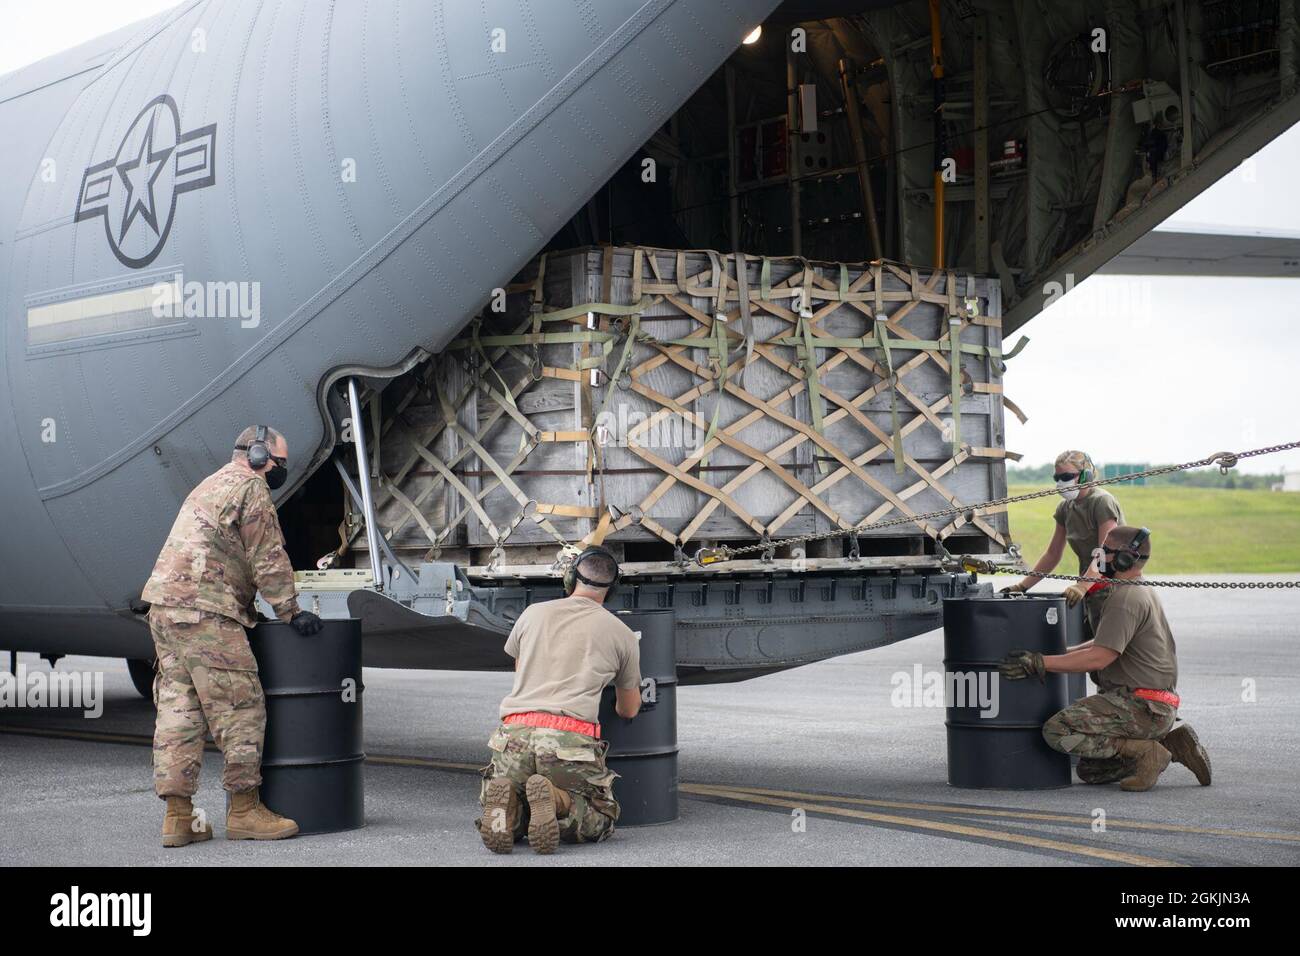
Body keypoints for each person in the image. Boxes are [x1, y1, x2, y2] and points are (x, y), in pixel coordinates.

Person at [141, 425, 324, 846]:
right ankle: (244, 812)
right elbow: (267, 554)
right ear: (260, 457)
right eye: (280, 463)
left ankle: (178, 818)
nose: (280, 471)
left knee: (179, 711)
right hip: (207, 611)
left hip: (166, 609)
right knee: (240, 705)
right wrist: (291, 611)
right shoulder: (251, 488)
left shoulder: (211, 483)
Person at [998, 526, 1211, 791]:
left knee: (1058, 731)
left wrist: (1040, 663)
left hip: (1140, 706)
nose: (1098, 558)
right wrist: (1065, 654)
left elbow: (1099, 658)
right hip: (1153, 706)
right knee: (1091, 770)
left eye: (1105, 552)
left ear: (1125, 558)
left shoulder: (1125, 598)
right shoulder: (1136, 589)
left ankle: (1147, 751)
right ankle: (1170, 744)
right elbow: (1105, 643)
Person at [477, 545, 641, 855]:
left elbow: (520, 668)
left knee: (519, 799)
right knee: (599, 818)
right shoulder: (623, 635)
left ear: (569, 578)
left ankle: (508, 807)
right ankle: (557, 800)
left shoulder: (532, 614)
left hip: (513, 737)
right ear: (613, 588)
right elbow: (628, 708)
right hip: (568, 741)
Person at [1003, 450, 1123, 639]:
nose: (1060, 482)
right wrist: (1022, 586)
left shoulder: (1101, 502)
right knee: (1086, 651)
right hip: (1088, 590)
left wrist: (1082, 586)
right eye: (1057, 477)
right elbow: (1052, 555)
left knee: (1106, 652)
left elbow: (1105, 554)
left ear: (1086, 476)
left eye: (1066, 477)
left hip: (1113, 590)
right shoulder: (1065, 508)